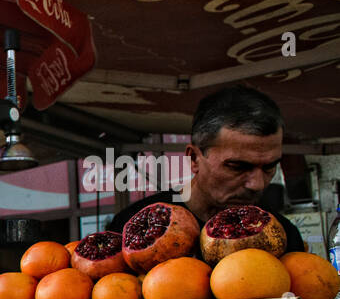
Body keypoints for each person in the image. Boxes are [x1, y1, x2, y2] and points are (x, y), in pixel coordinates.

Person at [107, 85, 305, 251]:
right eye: (237, 166)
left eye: (270, 167)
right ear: (194, 159)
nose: (257, 184)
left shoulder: (285, 236)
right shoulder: (132, 227)